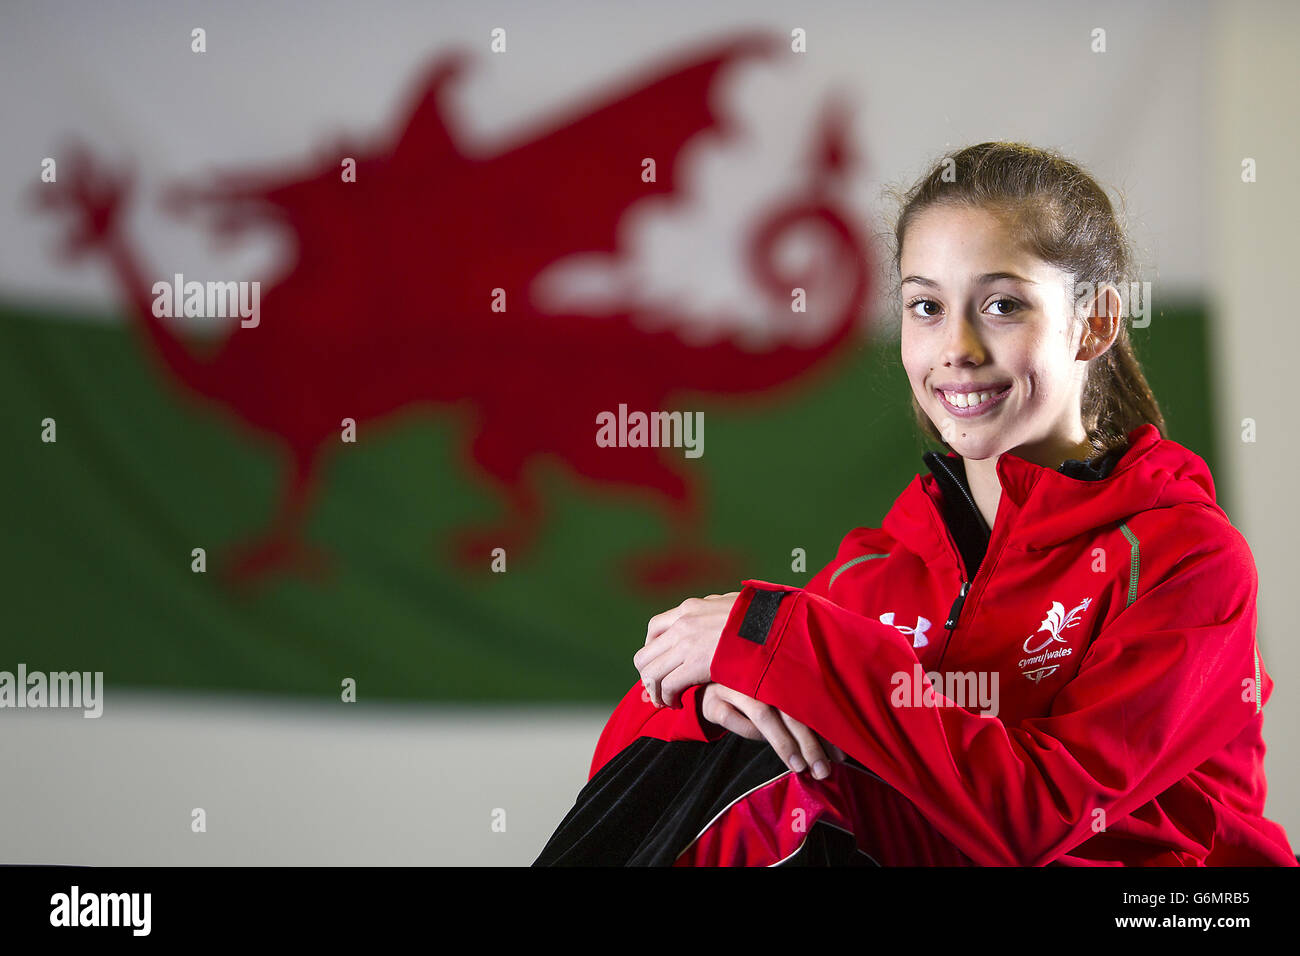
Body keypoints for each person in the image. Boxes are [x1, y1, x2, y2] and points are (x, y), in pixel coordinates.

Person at [533, 142, 1297, 866]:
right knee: (750, 752)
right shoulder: (879, 567)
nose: (955, 346)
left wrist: (779, 640)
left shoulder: (1184, 557)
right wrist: (708, 701)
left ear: (1093, 322)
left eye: (1002, 306)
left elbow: (1033, 816)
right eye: (926, 307)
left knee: (784, 762)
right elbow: (630, 779)